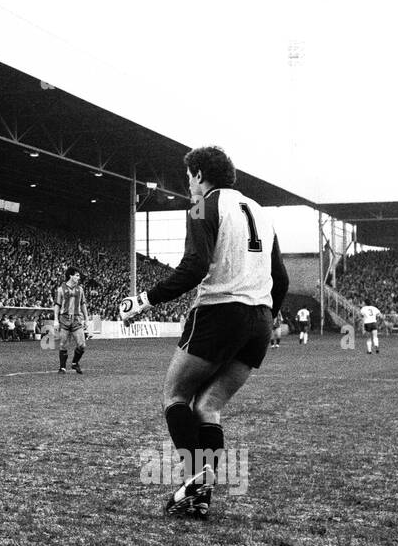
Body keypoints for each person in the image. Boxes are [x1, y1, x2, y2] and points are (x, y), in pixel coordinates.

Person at [118, 146, 288, 519]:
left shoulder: (203, 206)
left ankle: (196, 483)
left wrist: (145, 299)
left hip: (219, 312)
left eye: (188, 177)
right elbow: (283, 279)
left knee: (175, 396)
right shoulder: (260, 212)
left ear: (198, 174)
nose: (188, 185)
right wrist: (265, 319)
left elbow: (194, 266)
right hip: (259, 320)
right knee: (208, 406)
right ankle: (201, 492)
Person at [54, 267, 87, 374]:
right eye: (77, 275)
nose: (79, 277)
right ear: (70, 276)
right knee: (63, 344)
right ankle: (62, 368)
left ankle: (74, 363)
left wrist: (86, 319)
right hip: (64, 319)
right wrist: (55, 320)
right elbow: (57, 305)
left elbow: (83, 304)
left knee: (82, 345)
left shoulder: (80, 290)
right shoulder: (60, 290)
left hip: (77, 319)